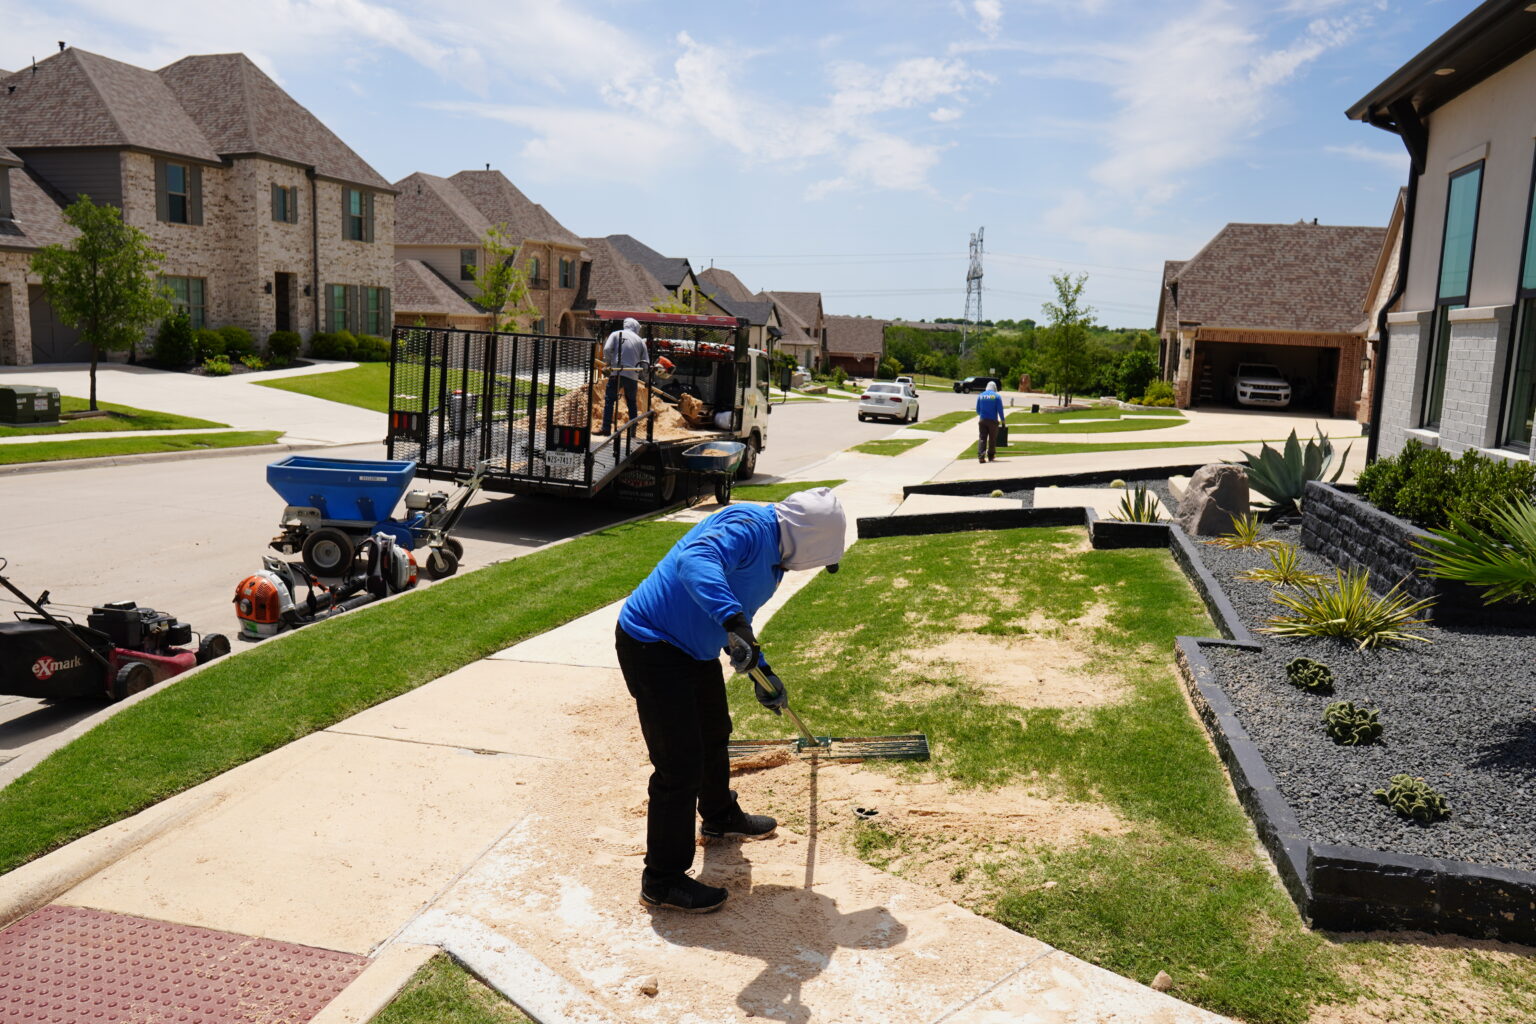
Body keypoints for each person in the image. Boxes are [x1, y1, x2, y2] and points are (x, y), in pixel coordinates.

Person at [616, 487, 847, 913]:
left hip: (693, 650)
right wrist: (733, 621)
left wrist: (759, 666)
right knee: (679, 763)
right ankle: (662, 879)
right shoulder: (746, 526)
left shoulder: (775, 557)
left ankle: (720, 815)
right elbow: (695, 562)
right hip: (652, 645)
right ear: (807, 540)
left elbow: (737, 619)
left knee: (715, 732)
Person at [599, 317, 649, 436]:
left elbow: (606, 349)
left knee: (610, 400)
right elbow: (645, 362)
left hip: (617, 372)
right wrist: (644, 376)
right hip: (632, 374)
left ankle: (606, 428)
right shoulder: (640, 341)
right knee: (631, 402)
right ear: (636, 327)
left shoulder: (616, 334)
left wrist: (610, 363)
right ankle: (632, 431)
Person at [975, 380, 1004, 463]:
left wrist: (983, 414)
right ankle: (991, 456)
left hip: (982, 420)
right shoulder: (997, 397)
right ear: (994, 388)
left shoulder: (980, 396)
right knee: (992, 439)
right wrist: (1003, 420)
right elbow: (1000, 410)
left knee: (982, 438)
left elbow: (977, 410)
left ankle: (981, 456)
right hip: (993, 421)